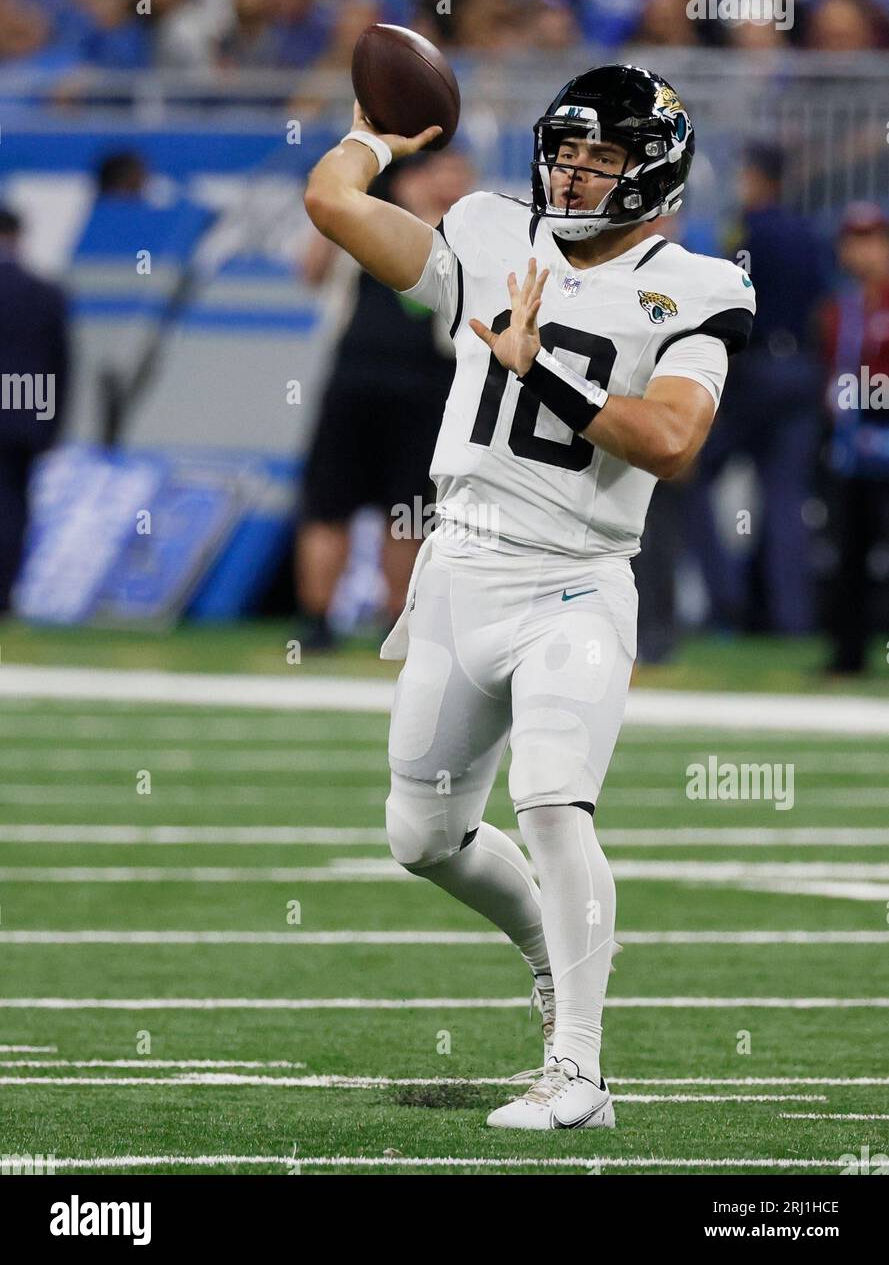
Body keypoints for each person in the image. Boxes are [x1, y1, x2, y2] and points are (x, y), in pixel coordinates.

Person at [304, 64, 754, 1131]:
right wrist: (374, 134)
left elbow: (673, 441)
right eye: (566, 149)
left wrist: (537, 364)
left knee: (553, 803)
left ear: (654, 173)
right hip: (458, 570)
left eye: (603, 157)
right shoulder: (488, 232)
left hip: (576, 580)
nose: (576, 171)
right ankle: (549, 956)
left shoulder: (698, 285)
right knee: (421, 836)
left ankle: (580, 1074)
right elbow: (331, 203)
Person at [297, 149, 473, 649]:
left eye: (461, 175)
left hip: (430, 382)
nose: (454, 183)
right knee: (329, 503)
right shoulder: (363, 217)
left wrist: (427, 216)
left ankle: (397, 616)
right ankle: (317, 621)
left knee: (410, 509)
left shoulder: (467, 230)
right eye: (444, 173)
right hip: (354, 375)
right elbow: (309, 270)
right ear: (412, 177)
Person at [687, 143, 826, 634]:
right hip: (803, 370)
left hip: (756, 373)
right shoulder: (809, 232)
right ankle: (792, 618)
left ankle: (728, 600)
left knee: (691, 475)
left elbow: (733, 304)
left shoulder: (746, 229)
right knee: (786, 498)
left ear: (756, 177)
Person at [822, 203, 889, 674]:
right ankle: (849, 656)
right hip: (853, 444)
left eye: (871, 241)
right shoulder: (841, 306)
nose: (861, 251)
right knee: (851, 549)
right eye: (853, 241)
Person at [0, 205, 69, 611]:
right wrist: (48, 423)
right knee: (11, 504)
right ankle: (4, 593)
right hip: (23, 409)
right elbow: (59, 363)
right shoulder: (44, 291)